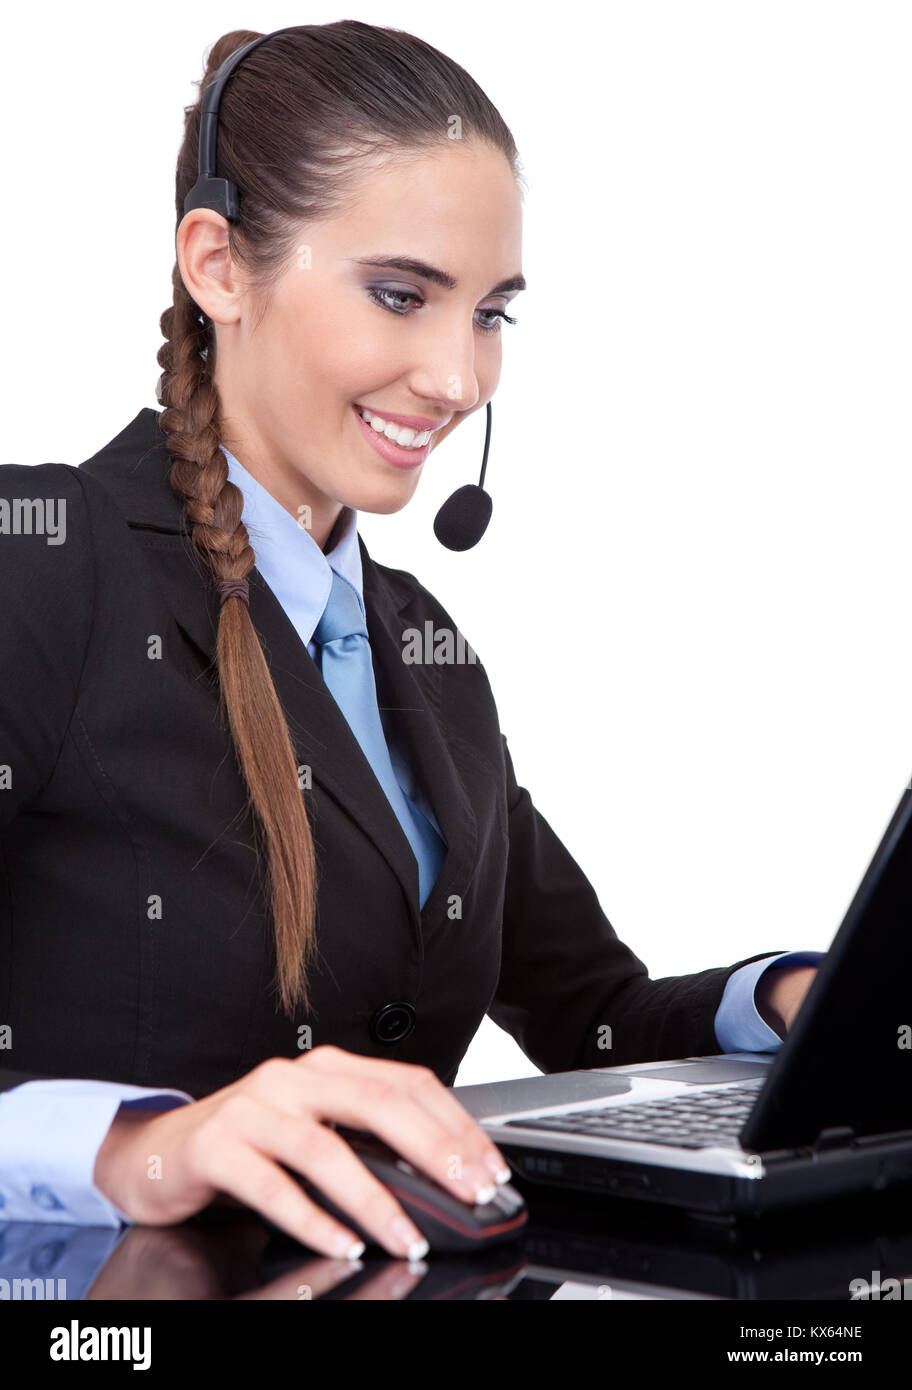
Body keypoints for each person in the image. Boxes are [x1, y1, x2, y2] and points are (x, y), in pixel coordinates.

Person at [0, 21, 822, 1264]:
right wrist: (134, 1149)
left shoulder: (420, 648)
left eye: (491, 313)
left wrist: (792, 1005)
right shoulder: (46, 559)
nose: (458, 376)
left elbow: (592, 1014)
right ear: (219, 267)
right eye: (401, 294)